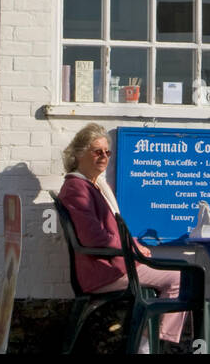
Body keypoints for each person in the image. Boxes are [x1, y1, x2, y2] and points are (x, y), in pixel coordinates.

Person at [56, 123, 189, 352]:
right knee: (182, 278)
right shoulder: (78, 188)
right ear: (79, 154)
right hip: (105, 270)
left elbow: (115, 231)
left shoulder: (94, 187)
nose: (104, 156)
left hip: (115, 264)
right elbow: (93, 238)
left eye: (107, 152)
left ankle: (150, 343)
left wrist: (136, 246)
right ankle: (148, 346)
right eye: (97, 151)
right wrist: (134, 250)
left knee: (183, 272)